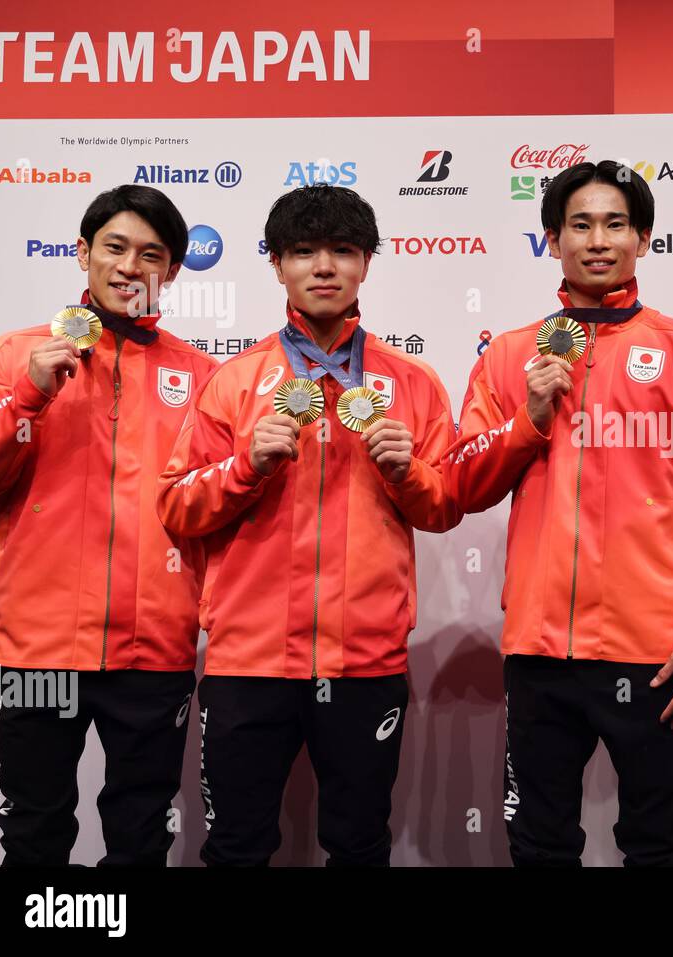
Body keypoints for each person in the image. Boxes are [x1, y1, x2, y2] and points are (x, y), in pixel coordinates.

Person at [444, 160, 673, 866]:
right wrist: (530, 417)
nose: (599, 240)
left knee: (662, 844)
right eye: (581, 224)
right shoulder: (510, 355)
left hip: (658, 651)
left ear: (643, 238)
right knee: (539, 844)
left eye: (616, 224)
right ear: (553, 238)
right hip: (541, 650)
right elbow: (461, 482)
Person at [156, 184, 459, 866]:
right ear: (276, 265)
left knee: (358, 844)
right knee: (236, 846)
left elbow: (444, 507)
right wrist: (244, 467)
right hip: (248, 662)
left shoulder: (412, 382)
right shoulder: (233, 380)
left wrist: (407, 472)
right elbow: (176, 505)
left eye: (343, 250)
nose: (324, 266)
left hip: (364, 661)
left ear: (367, 264)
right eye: (303, 251)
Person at [0, 184, 215, 866]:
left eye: (151, 255)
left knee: (142, 835)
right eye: (113, 247)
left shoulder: (200, 375)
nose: (129, 266)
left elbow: (214, 503)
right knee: (34, 828)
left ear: (169, 272)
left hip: (154, 645)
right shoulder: (15, 355)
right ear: (83, 253)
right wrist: (28, 394)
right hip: (36, 641)